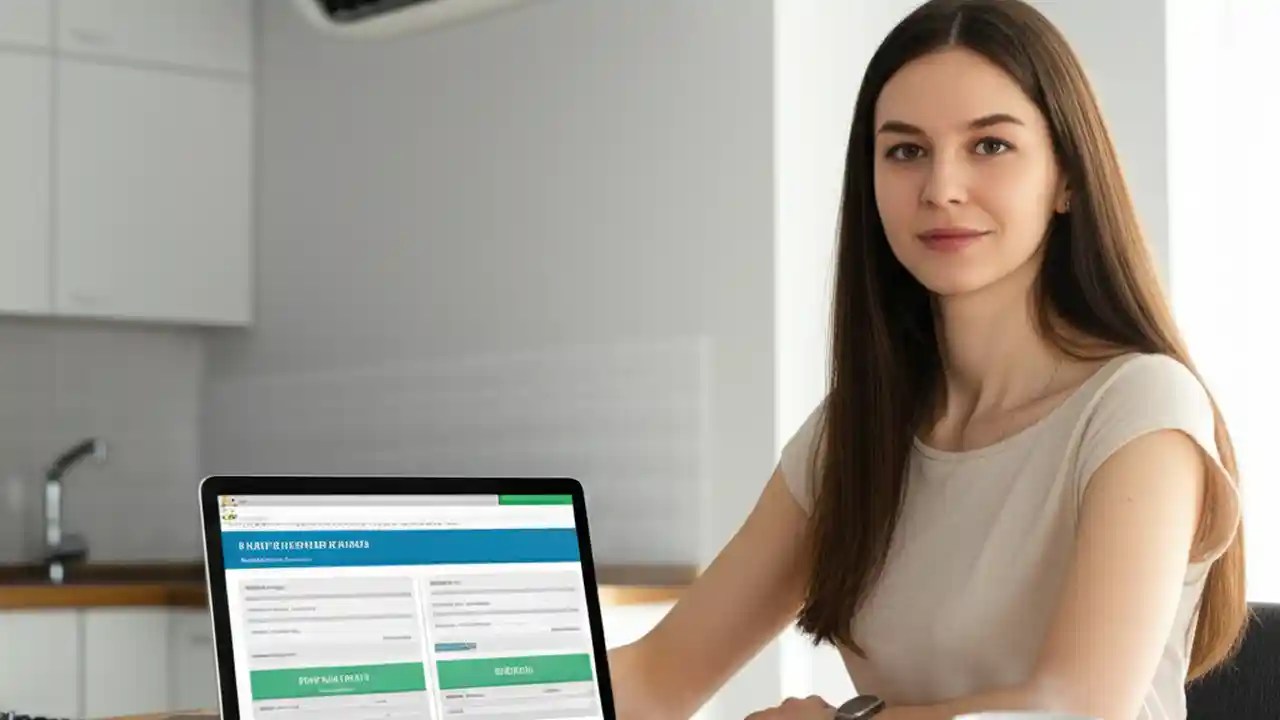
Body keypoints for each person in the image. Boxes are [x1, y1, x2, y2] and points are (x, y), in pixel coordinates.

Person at [606, 1, 1247, 719]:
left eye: (990, 146)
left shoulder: (1140, 407)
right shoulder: (853, 433)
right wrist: (484, 672)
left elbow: (1072, 709)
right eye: (906, 151)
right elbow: (660, 676)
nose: (941, 187)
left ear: (1066, 177)